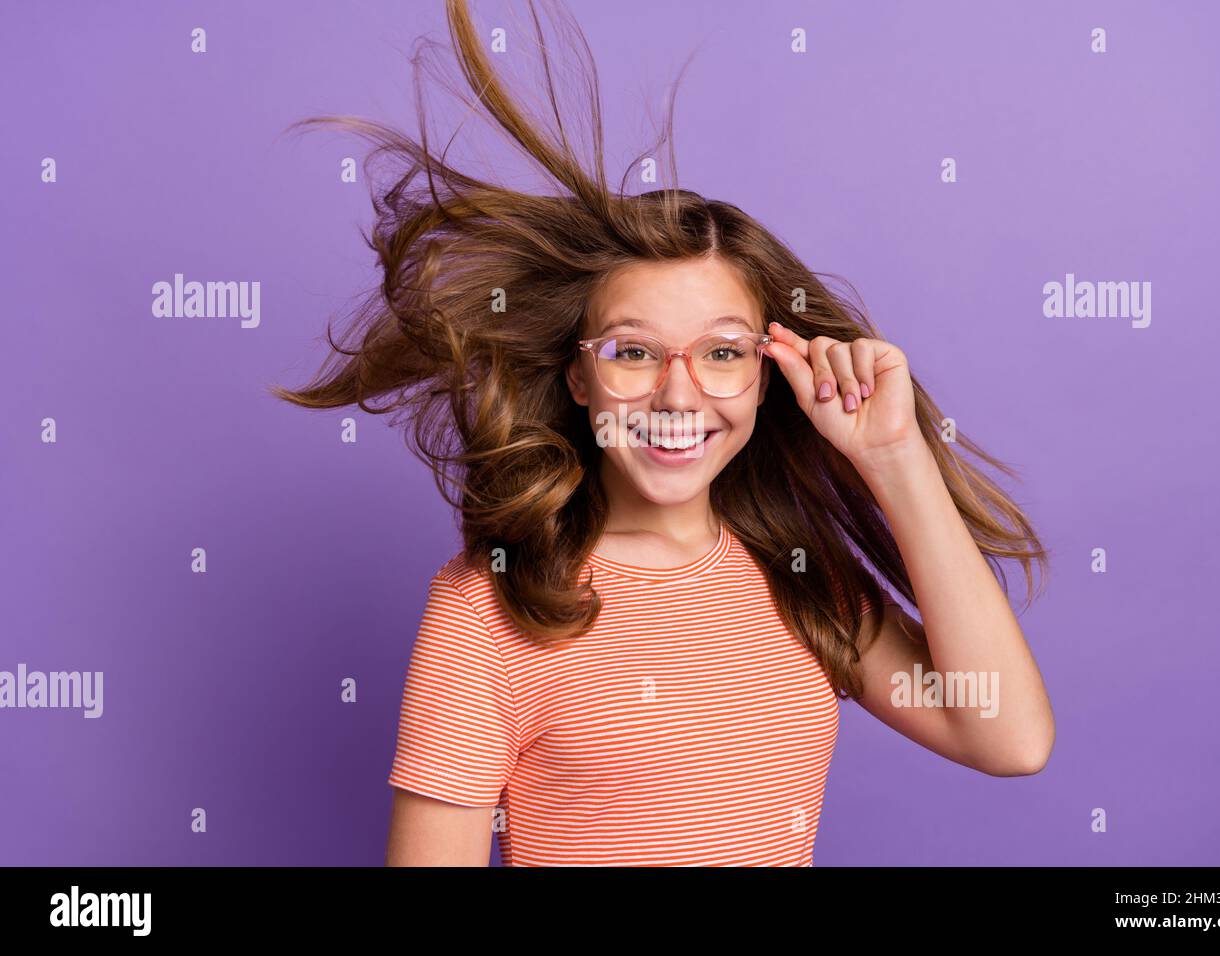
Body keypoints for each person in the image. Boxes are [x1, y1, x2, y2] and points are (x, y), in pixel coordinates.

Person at [272, 0, 1054, 866]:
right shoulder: (488, 609)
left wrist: (894, 455)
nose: (679, 393)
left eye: (722, 352)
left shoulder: (804, 577)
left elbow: (1010, 739)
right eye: (634, 351)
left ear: (766, 374)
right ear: (579, 377)